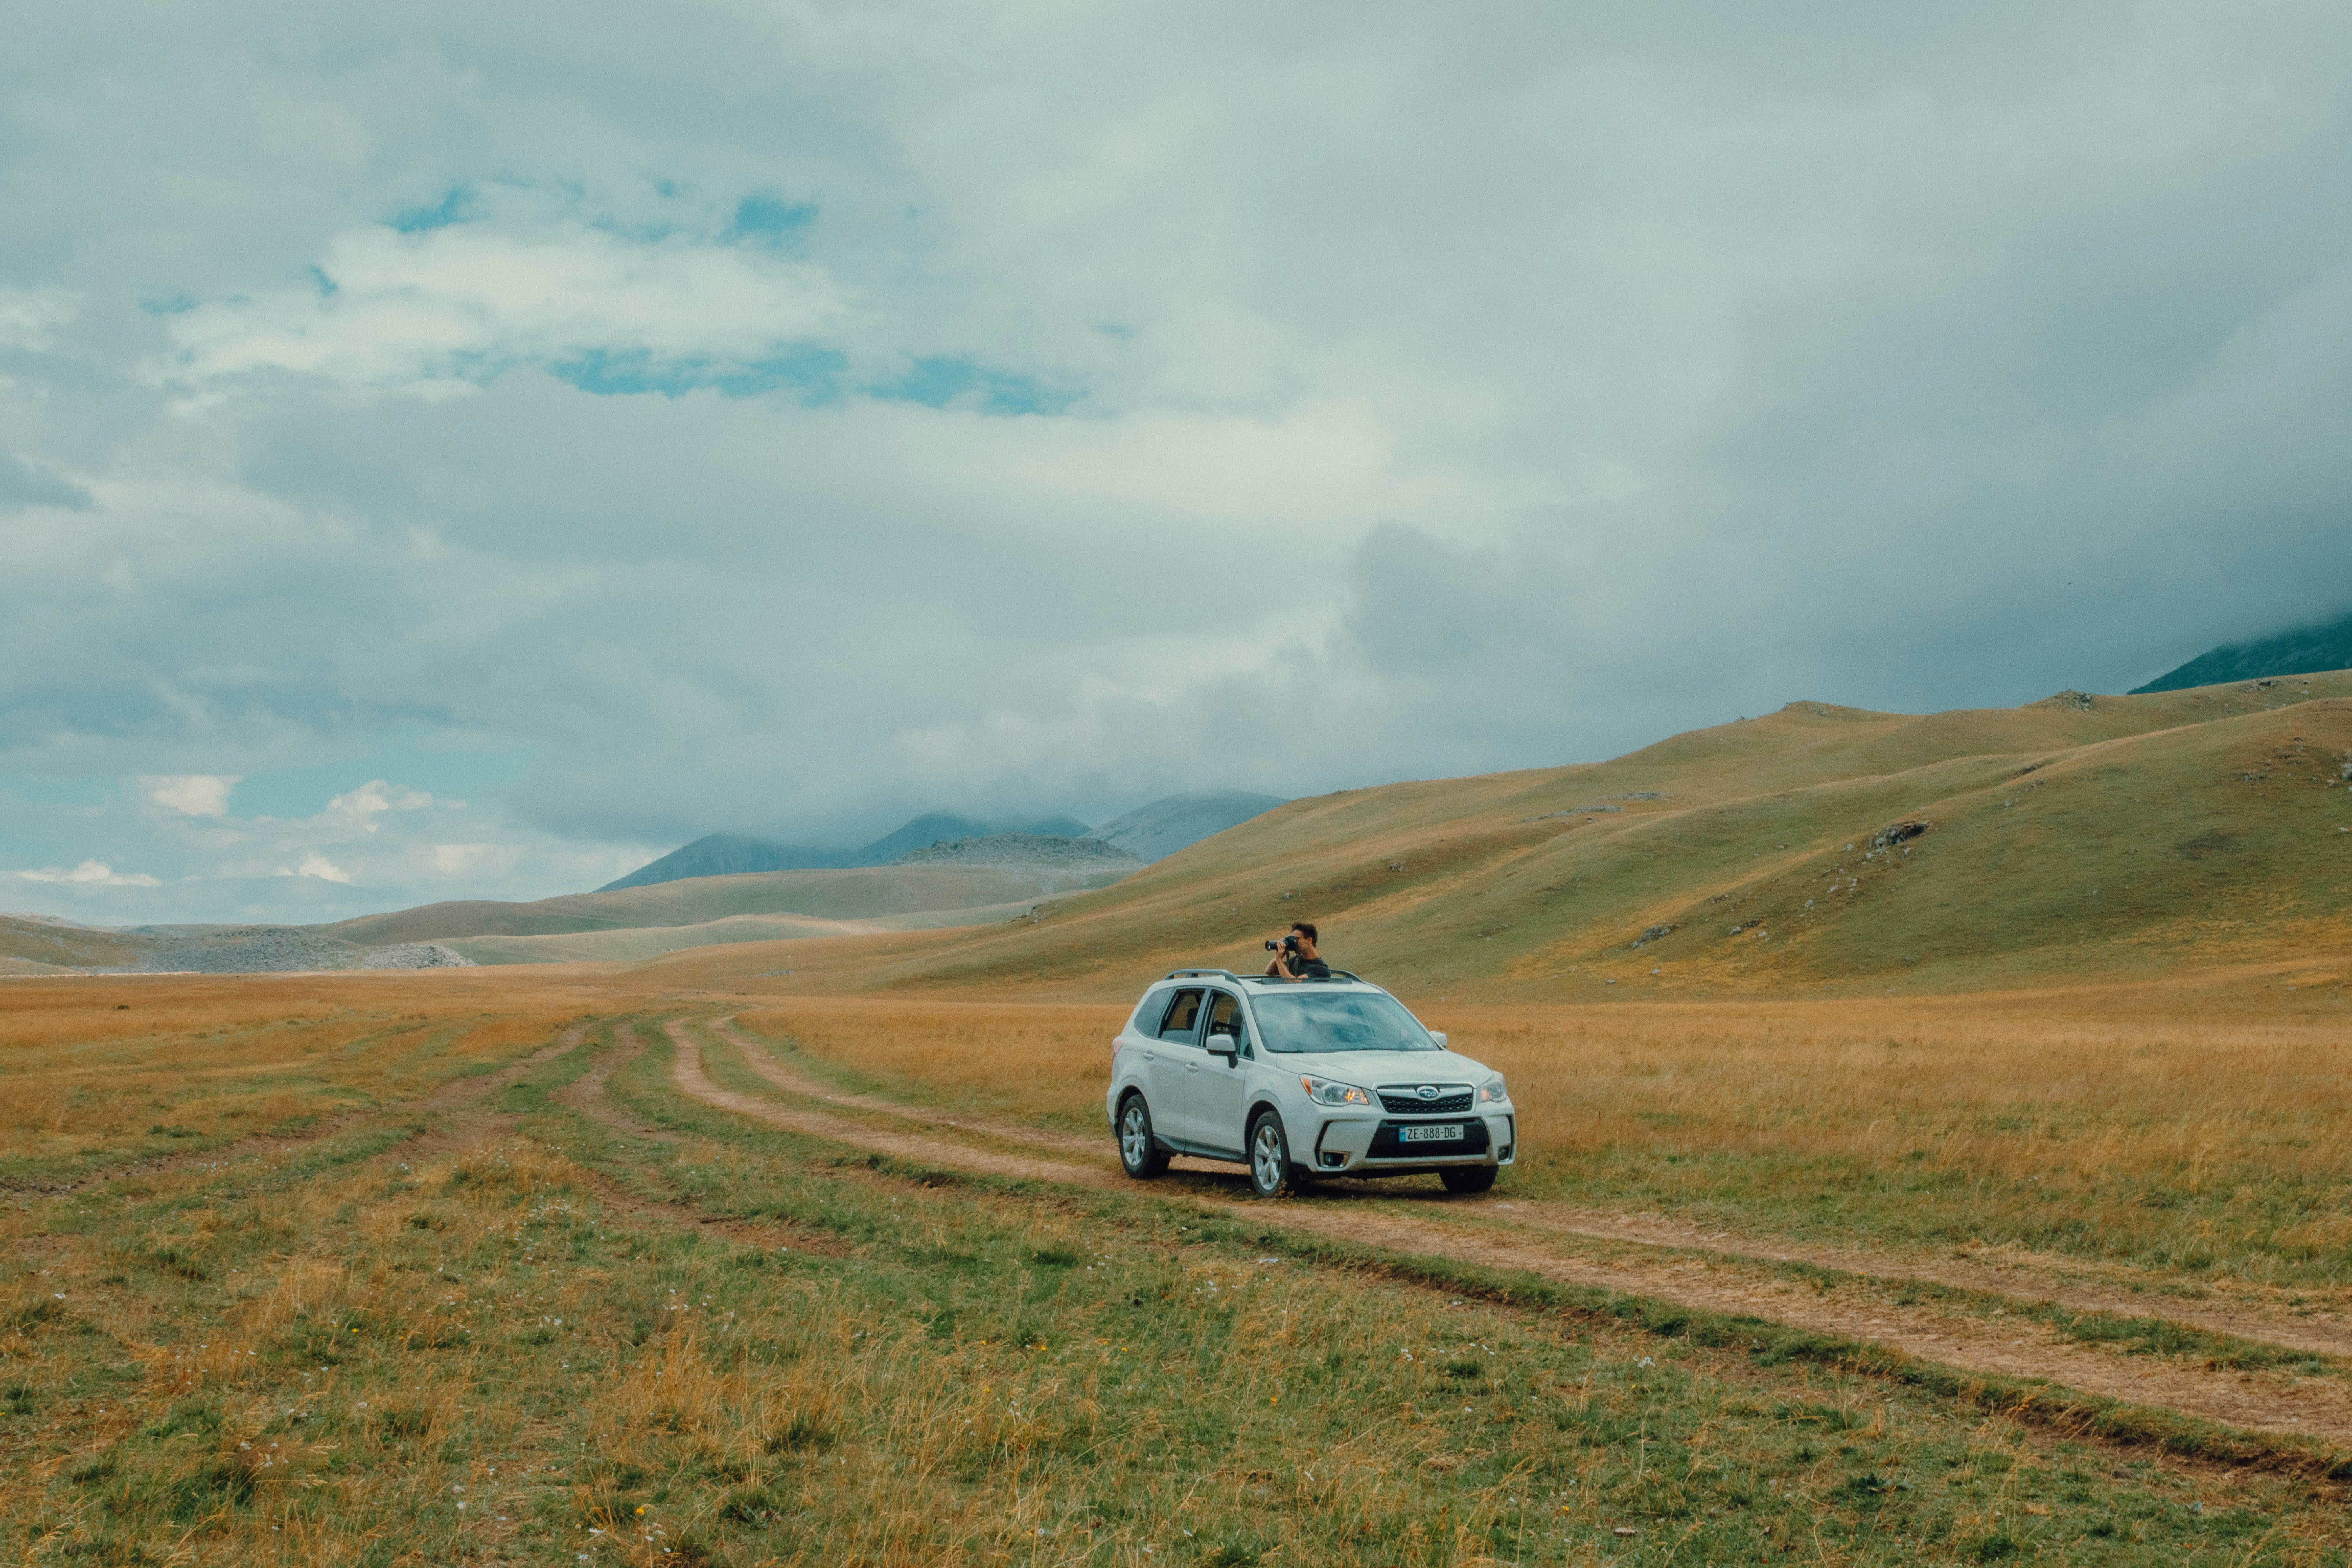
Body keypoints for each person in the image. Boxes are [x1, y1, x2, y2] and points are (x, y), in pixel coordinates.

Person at [1264, 921, 1331, 981]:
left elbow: (1295, 983)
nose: (1294, 942)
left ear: (1309, 940)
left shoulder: (1321, 969)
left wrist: (1279, 960)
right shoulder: (1296, 960)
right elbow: (1269, 972)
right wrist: (1279, 954)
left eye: (1296, 939)